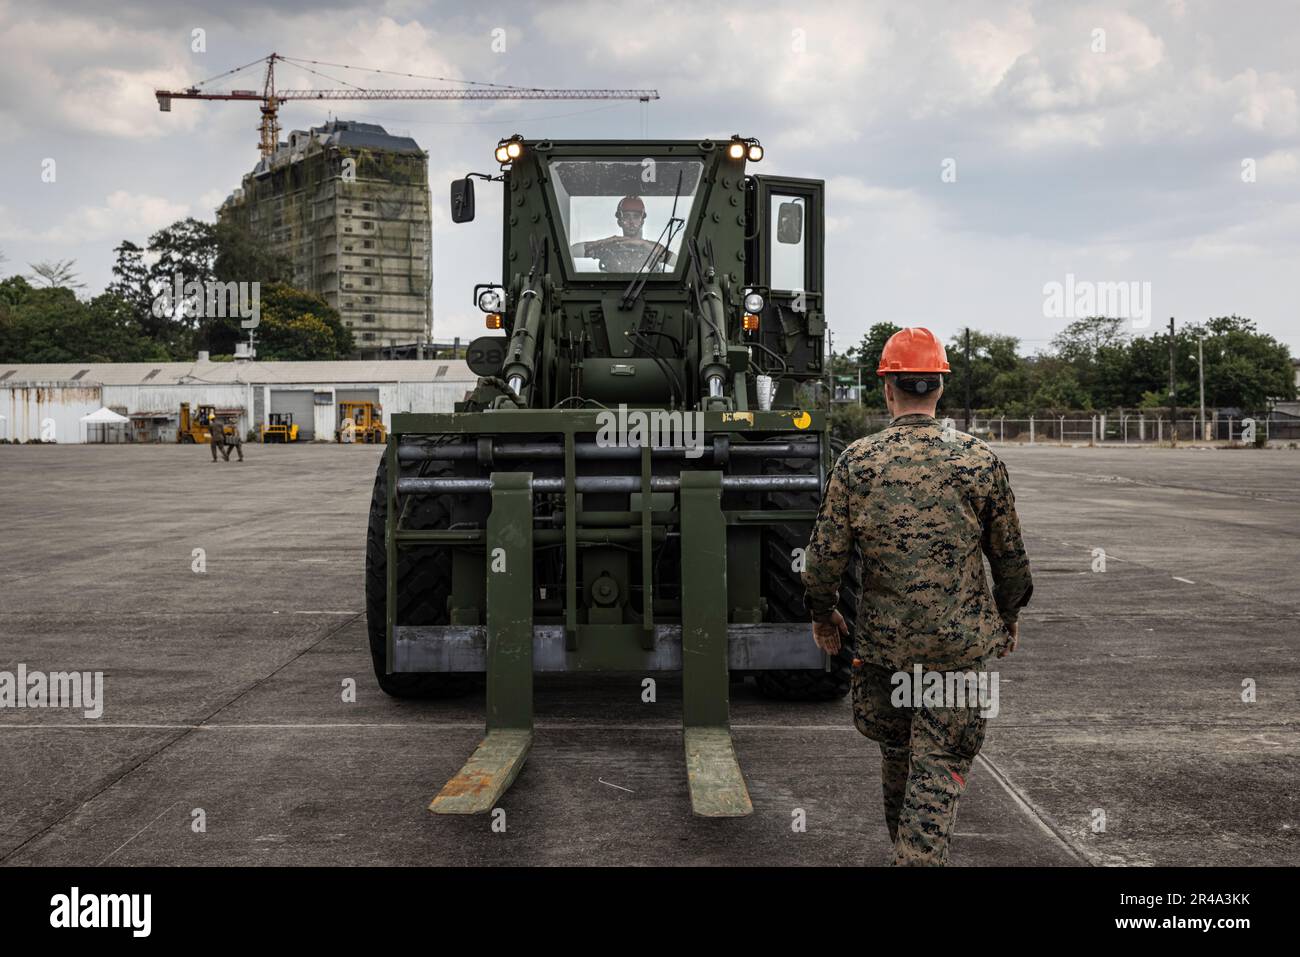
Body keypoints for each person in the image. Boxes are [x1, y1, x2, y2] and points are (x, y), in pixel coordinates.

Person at [801, 326, 1033, 866]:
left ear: (887, 388)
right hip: (957, 651)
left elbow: (823, 560)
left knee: (900, 760)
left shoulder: (858, 462)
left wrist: (823, 613)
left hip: (884, 652)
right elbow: (1012, 562)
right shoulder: (979, 461)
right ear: (939, 387)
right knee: (938, 768)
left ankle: (907, 854)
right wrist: (1008, 615)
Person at [568, 195, 674, 272]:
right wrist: (608, 241)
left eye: (636, 217)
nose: (631, 222)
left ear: (642, 221)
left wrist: (643, 244)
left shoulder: (653, 248)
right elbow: (572, 251)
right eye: (627, 216)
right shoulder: (610, 246)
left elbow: (676, 262)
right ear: (619, 222)